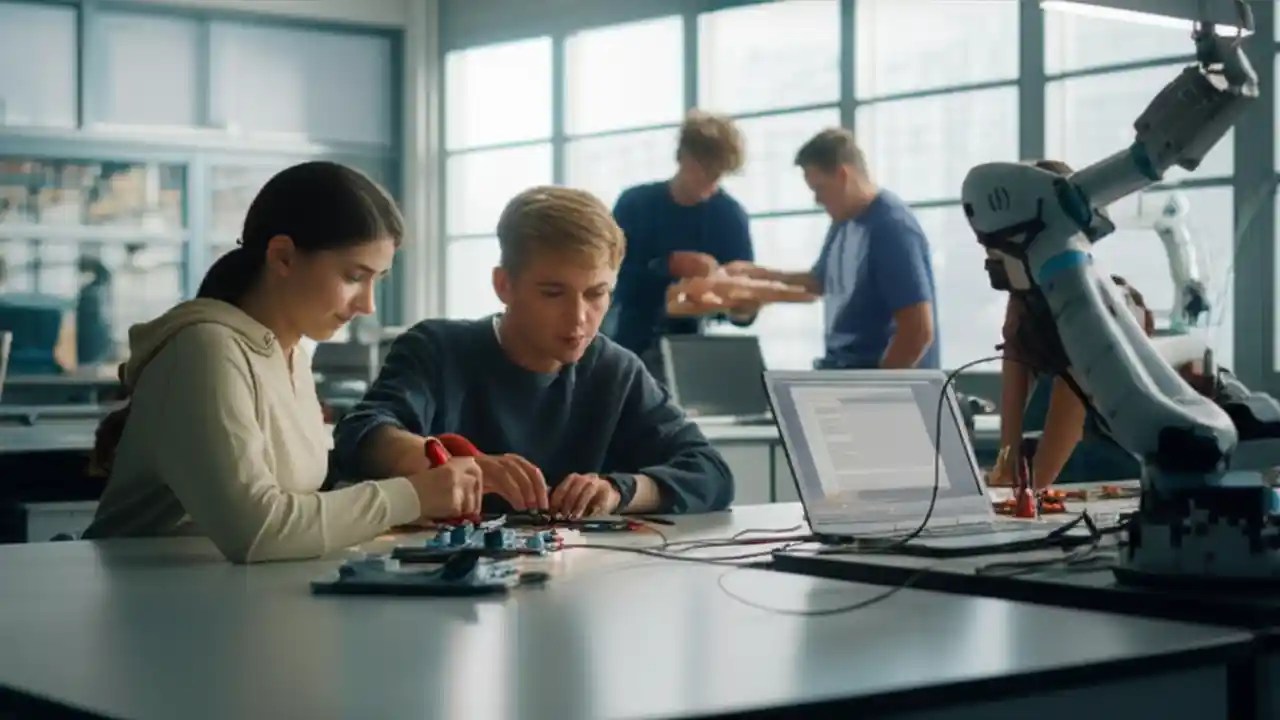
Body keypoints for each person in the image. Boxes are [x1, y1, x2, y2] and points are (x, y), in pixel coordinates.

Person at [82, 161, 483, 563]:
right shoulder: (205, 350)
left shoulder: (288, 355)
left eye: (377, 280)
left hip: (230, 603)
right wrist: (410, 497)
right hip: (150, 609)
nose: (367, 304)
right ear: (283, 257)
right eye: (353, 277)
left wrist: (403, 503)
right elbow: (257, 530)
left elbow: (293, 507)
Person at [333, 186, 734, 518]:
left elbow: (710, 472)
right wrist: (460, 467)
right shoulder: (437, 349)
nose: (579, 318)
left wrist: (620, 491)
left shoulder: (617, 370)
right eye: (553, 293)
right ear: (504, 284)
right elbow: (363, 436)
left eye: (597, 294)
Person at [725, 127, 939, 369]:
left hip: (872, 382)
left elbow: (918, 330)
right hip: (840, 371)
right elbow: (819, 282)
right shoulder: (843, 222)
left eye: (819, 188)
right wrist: (758, 277)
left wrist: (878, 389)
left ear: (843, 176)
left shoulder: (891, 228)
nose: (817, 200)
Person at [606, 110, 758, 379]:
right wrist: (668, 266)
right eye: (704, 170)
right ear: (681, 157)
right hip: (630, 345)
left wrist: (743, 307)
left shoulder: (730, 216)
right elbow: (609, 280)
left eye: (718, 174)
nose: (710, 184)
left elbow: (740, 307)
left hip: (694, 355)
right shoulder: (635, 206)